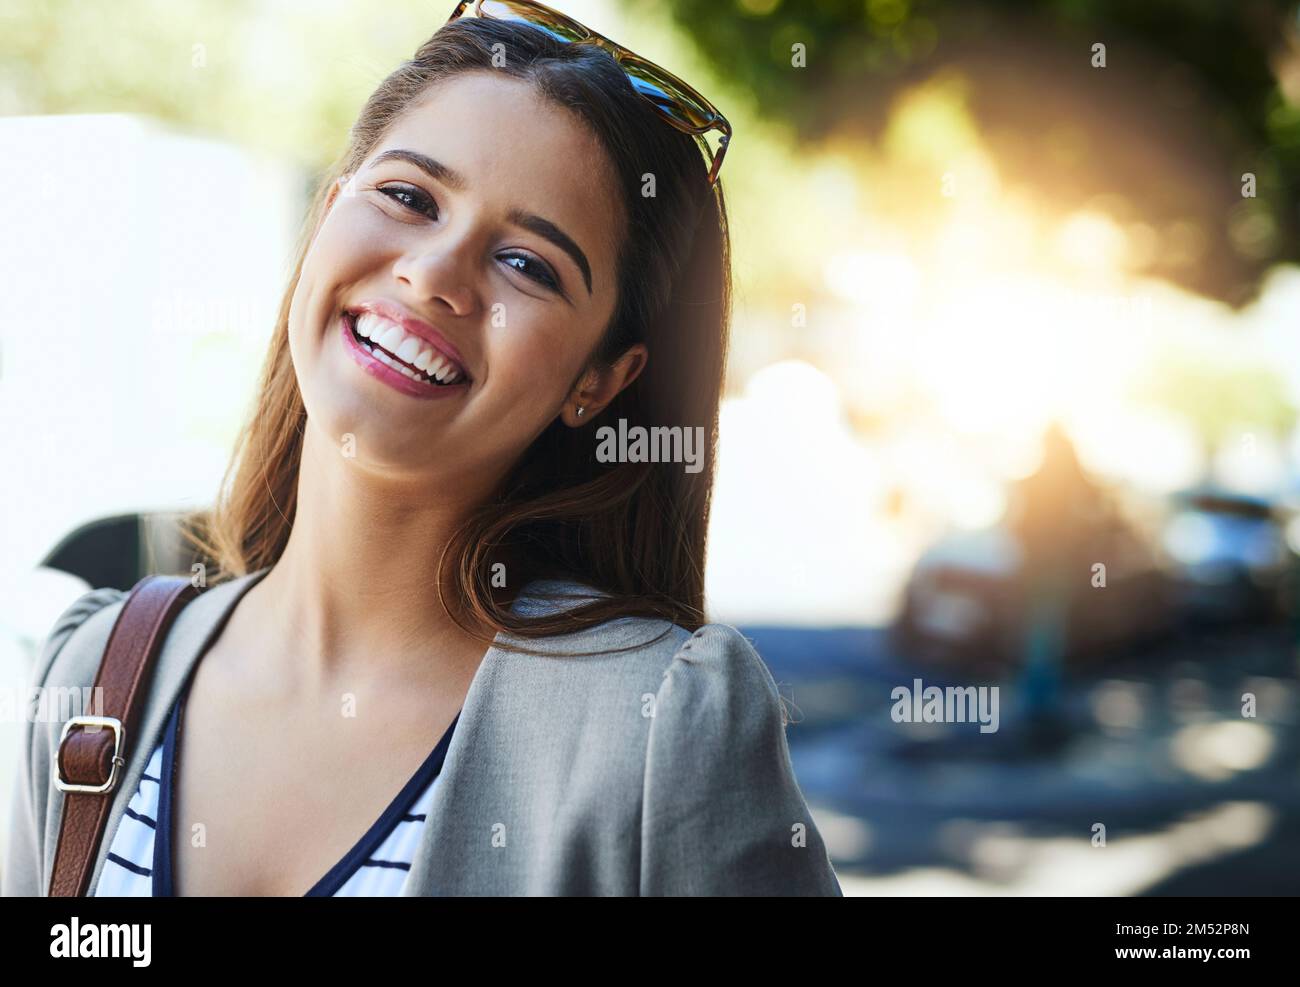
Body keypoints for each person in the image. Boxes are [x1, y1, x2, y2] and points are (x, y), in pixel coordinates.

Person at [3, 6, 842, 897]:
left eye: (528, 264)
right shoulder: (95, 677)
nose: (435, 273)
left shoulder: (659, 728)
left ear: (598, 379)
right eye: (408, 198)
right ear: (328, 215)